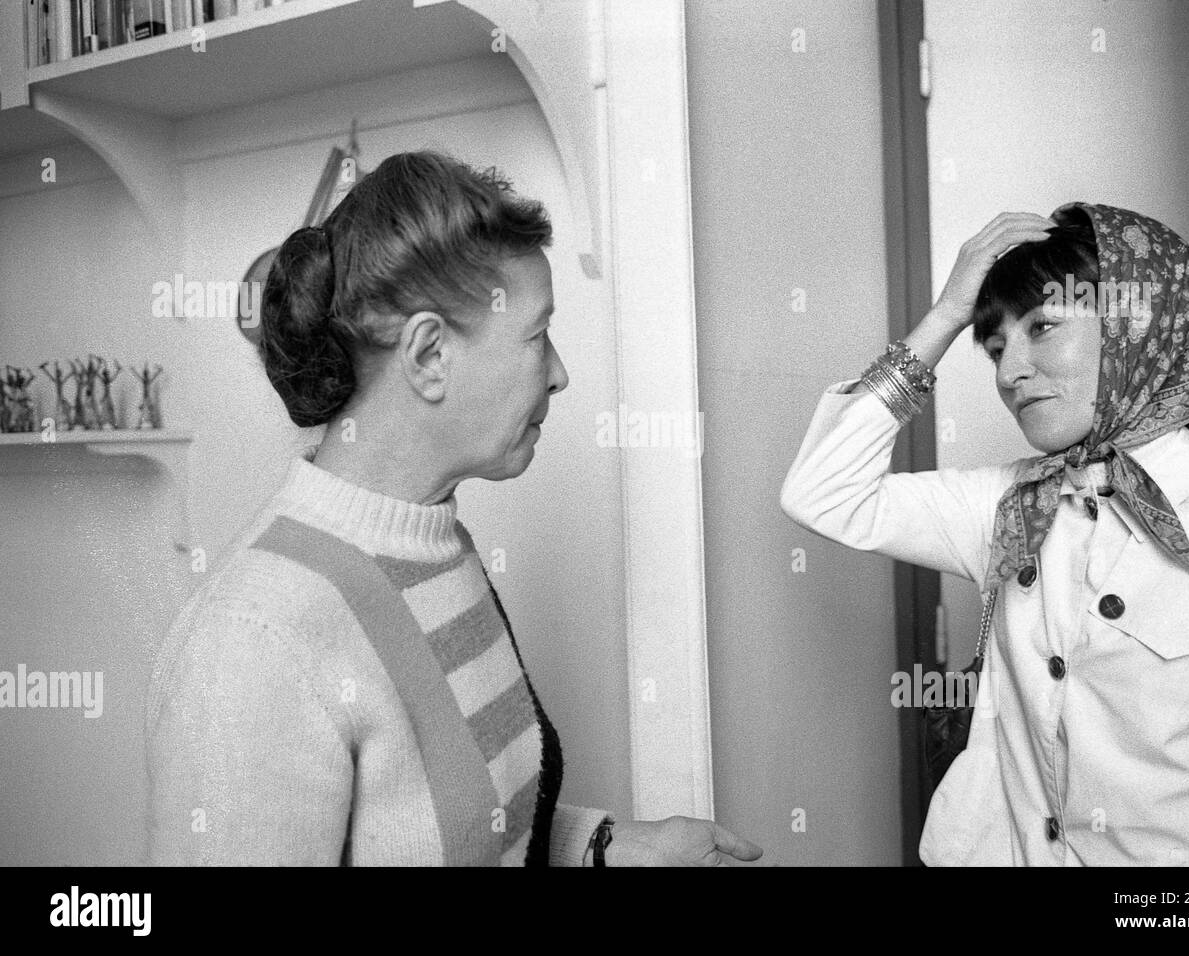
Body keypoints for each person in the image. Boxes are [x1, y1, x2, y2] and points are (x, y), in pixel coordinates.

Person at [146, 150, 763, 867]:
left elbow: (460, 830)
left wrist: (615, 846)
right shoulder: (256, 644)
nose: (560, 373)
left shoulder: (435, 547)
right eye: (537, 335)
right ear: (430, 354)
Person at [781, 203, 1189, 865]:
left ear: (1136, 326)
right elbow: (822, 494)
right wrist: (944, 316)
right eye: (997, 348)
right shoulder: (1008, 504)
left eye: (1044, 327)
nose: (1008, 372)